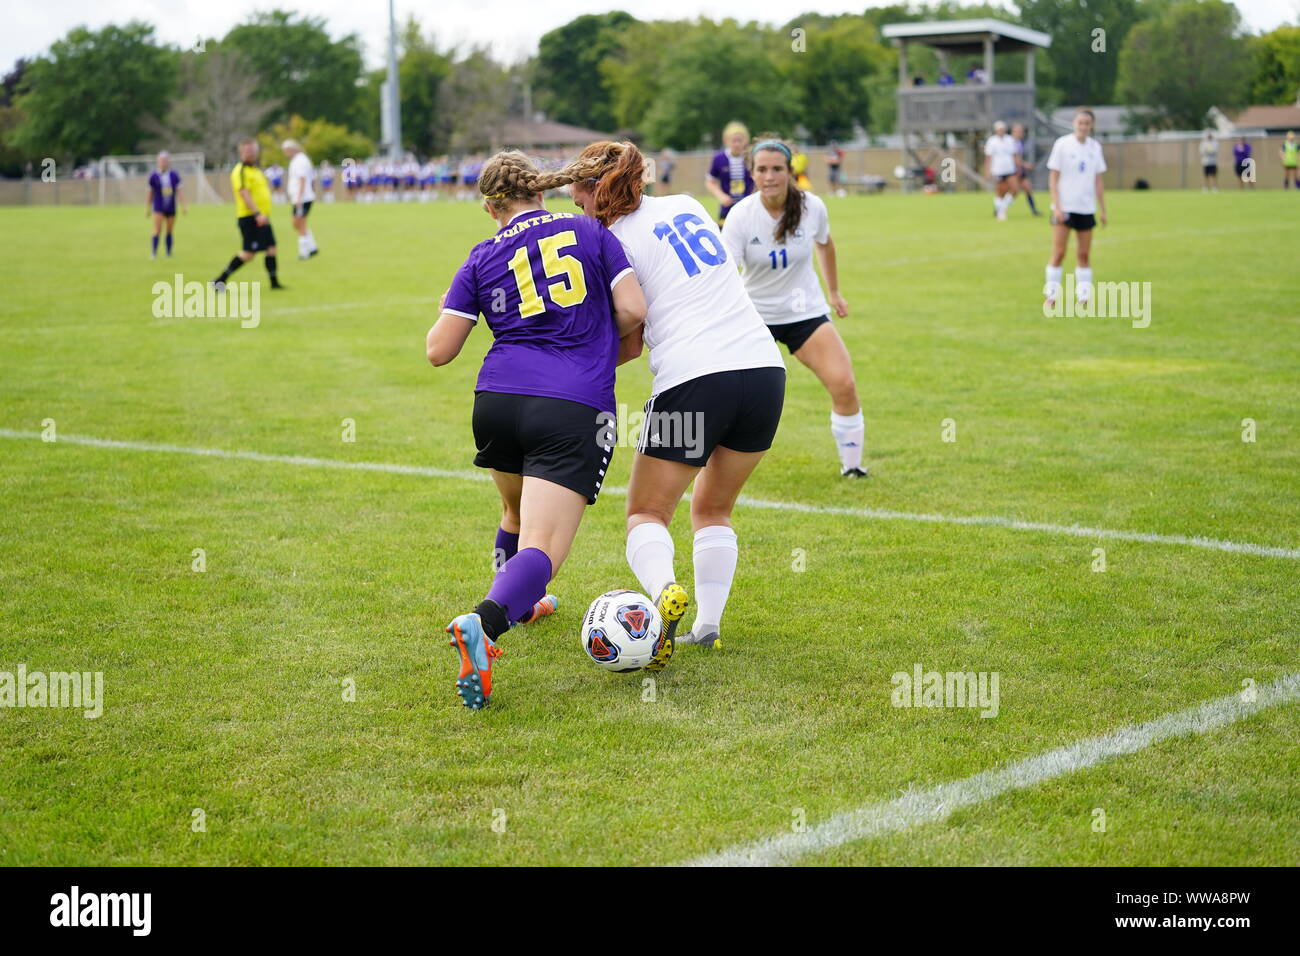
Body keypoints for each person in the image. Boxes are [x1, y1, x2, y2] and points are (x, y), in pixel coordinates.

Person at [426, 150, 648, 709]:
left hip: (497, 400)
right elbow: (633, 308)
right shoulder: (589, 231)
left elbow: (438, 351)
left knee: (516, 514)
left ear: (490, 206)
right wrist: (592, 343)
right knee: (545, 548)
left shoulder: (481, 255)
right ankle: (485, 622)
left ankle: (523, 605)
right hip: (571, 403)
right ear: (540, 190)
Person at [556, 141, 787, 655]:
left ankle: (664, 593)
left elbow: (632, 335)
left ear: (598, 188)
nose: (573, 199)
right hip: (764, 371)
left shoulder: (606, 241)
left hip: (694, 379)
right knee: (713, 509)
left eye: (578, 190)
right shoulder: (687, 204)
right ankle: (708, 623)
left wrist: (573, 361)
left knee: (646, 513)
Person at [723, 138, 866, 479]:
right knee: (730, 397)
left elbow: (825, 244)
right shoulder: (741, 215)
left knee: (844, 384)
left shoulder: (812, 207)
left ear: (790, 171)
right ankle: (719, 468)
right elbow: (726, 271)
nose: (769, 176)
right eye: (761, 170)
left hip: (805, 313)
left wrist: (834, 292)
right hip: (755, 317)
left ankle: (853, 466)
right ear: (752, 173)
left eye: (777, 169)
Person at [1044, 108, 1107, 309]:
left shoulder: (1095, 147)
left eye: (1087, 123)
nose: (1083, 127)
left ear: (1092, 126)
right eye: (1080, 123)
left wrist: (1103, 209)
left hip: (1086, 207)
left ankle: (1084, 297)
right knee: (1059, 252)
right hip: (1065, 207)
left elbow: (1098, 180)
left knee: (1083, 254)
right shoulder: (1062, 145)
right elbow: (1053, 177)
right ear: (1074, 124)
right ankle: (1052, 295)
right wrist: (1057, 206)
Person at [211, 138, 284, 291]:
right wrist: (257, 214)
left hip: (262, 217)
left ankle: (274, 284)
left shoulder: (256, 170)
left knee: (271, 248)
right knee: (248, 253)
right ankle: (219, 281)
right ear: (241, 153)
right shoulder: (241, 171)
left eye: (253, 150)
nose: (250, 153)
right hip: (251, 217)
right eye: (247, 151)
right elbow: (244, 193)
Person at [706, 121, 754, 225]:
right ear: (726, 141)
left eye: (740, 140)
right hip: (727, 209)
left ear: (746, 140)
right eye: (733, 140)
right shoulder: (719, 158)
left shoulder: (751, 157)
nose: (737, 144)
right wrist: (721, 196)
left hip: (749, 207)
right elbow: (710, 182)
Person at [283, 139, 319, 260]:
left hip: (302, 198)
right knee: (299, 223)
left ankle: (304, 252)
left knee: (299, 223)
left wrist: (298, 197)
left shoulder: (300, 161)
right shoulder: (301, 159)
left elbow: (302, 179)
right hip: (303, 197)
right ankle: (312, 247)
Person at [146, 151, 185, 259]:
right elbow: (150, 193)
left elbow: (179, 191)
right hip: (158, 206)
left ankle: (168, 253)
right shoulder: (153, 176)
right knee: (157, 230)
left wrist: (183, 205)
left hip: (171, 206)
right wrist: (148, 207)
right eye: (161, 160)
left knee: (169, 230)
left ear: (168, 162)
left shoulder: (174, 175)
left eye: (165, 160)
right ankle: (154, 252)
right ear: (158, 162)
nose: (163, 163)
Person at [985, 120, 1018, 220]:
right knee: (1001, 192)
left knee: (1015, 189)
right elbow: (988, 157)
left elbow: (1014, 155)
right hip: (998, 170)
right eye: (999, 129)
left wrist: (1017, 166)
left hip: (1010, 168)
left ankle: (1002, 208)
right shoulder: (992, 141)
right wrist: (988, 170)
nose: (1001, 131)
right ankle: (1000, 212)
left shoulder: (1010, 139)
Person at [1011, 123, 1041, 215]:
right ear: (1013, 132)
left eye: (1021, 131)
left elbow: (1018, 158)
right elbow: (1014, 159)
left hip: (1019, 170)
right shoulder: (1010, 143)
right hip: (1011, 171)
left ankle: (1034, 210)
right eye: (1018, 131)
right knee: (1013, 192)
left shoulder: (1020, 142)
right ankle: (999, 209)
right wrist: (1026, 165)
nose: (1020, 133)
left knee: (1027, 189)